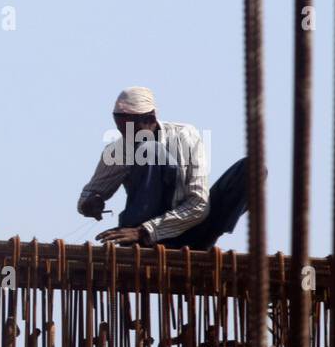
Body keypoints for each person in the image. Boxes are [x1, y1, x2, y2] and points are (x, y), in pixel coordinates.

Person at [78, 86, 250, 249]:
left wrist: (144, 231)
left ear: (150, 119)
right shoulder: (119, 149)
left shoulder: (184, 136)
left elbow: (198, 203)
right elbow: (88, 195)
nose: (127, 137)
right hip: (142, 237)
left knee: (252, 169)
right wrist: (91, 202)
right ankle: (141, 240)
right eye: (122, 130)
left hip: (189, 229)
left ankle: (193, 241)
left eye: (132, 130)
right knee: (149, 149)